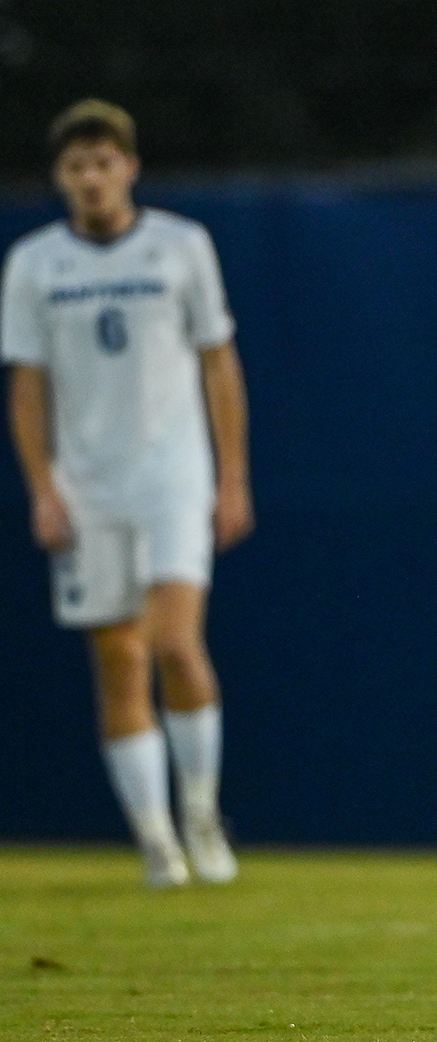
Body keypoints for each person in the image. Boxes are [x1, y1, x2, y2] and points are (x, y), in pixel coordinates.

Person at [4, 99, 254, 888]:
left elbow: (218, 362)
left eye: (103, 163)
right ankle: (155, 841)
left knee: (175, 643)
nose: (91, 179)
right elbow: (27, 386)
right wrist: (42, 489)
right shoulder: (36, 264)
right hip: (87, 488)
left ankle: (201, 812)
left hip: (172, 477)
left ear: (130, 168)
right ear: (60, 177)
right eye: (76, 166)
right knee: (118, 660)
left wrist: (232, 477)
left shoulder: (181, 246)